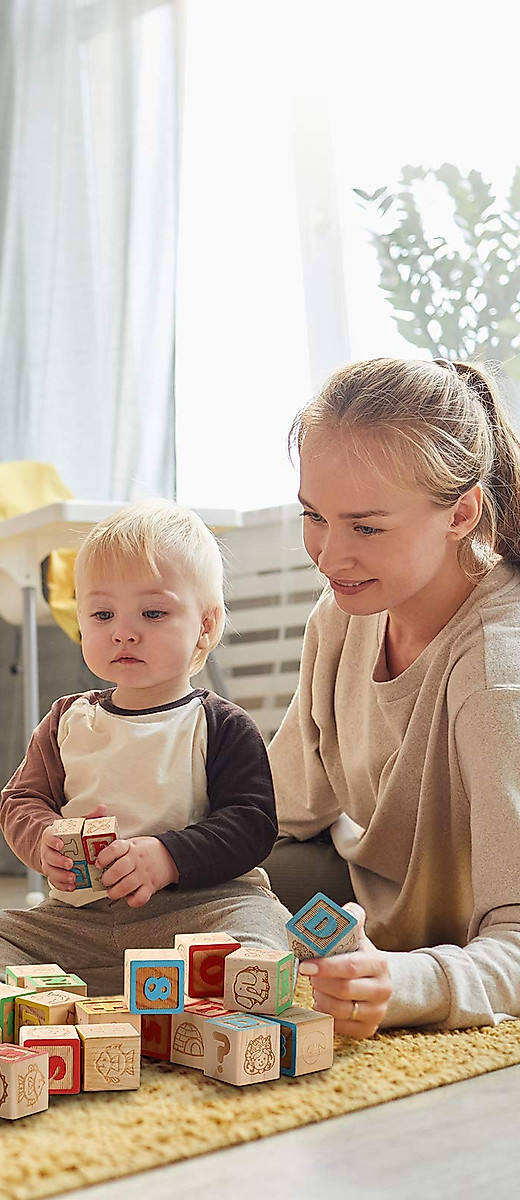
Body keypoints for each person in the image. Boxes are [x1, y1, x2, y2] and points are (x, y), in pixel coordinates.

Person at [265, 357, 520, 1039]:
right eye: (313, 516)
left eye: (366, 528)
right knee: (183, 883)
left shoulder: (497, 676)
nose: (328, 555)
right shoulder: (342, 615)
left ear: (461, 513)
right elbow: (284, 803)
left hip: (468, 941)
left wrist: (406, 983)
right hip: (365, 895)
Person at [0, 500, 289, 997]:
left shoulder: (221, 724)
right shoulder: (67, 721)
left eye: (153, 612)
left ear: (206, 626)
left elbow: (252, 824)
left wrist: (167, 857)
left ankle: (227, 997)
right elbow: (20, 802)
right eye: (103, 613)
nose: (123, 631)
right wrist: (45, 841)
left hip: (197, 911)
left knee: (259, 922)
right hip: (80, 919)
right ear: (82, 623)